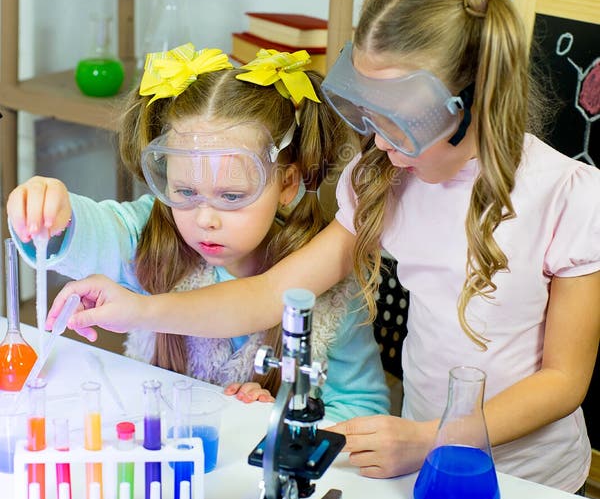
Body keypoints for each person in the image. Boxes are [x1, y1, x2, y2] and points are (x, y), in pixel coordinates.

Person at [42, 0, 600, 493]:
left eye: (402, 125)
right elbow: (267, 295)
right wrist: (136, 309)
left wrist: (431, 439)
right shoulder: (385, 177)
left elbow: (563, 382)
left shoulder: (568, 198)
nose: (379, 143)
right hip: (420, 459)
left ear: (472, 99)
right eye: (370, 116)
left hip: (530, 476)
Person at [8, 43, 390, 422]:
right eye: (186, 192)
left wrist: (280, 416)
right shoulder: (154, 236)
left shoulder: (330, 284)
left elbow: (363, 411)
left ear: (288, 184)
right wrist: (53, 213)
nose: (204, 218)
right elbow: (96, 234)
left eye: (232, 195)